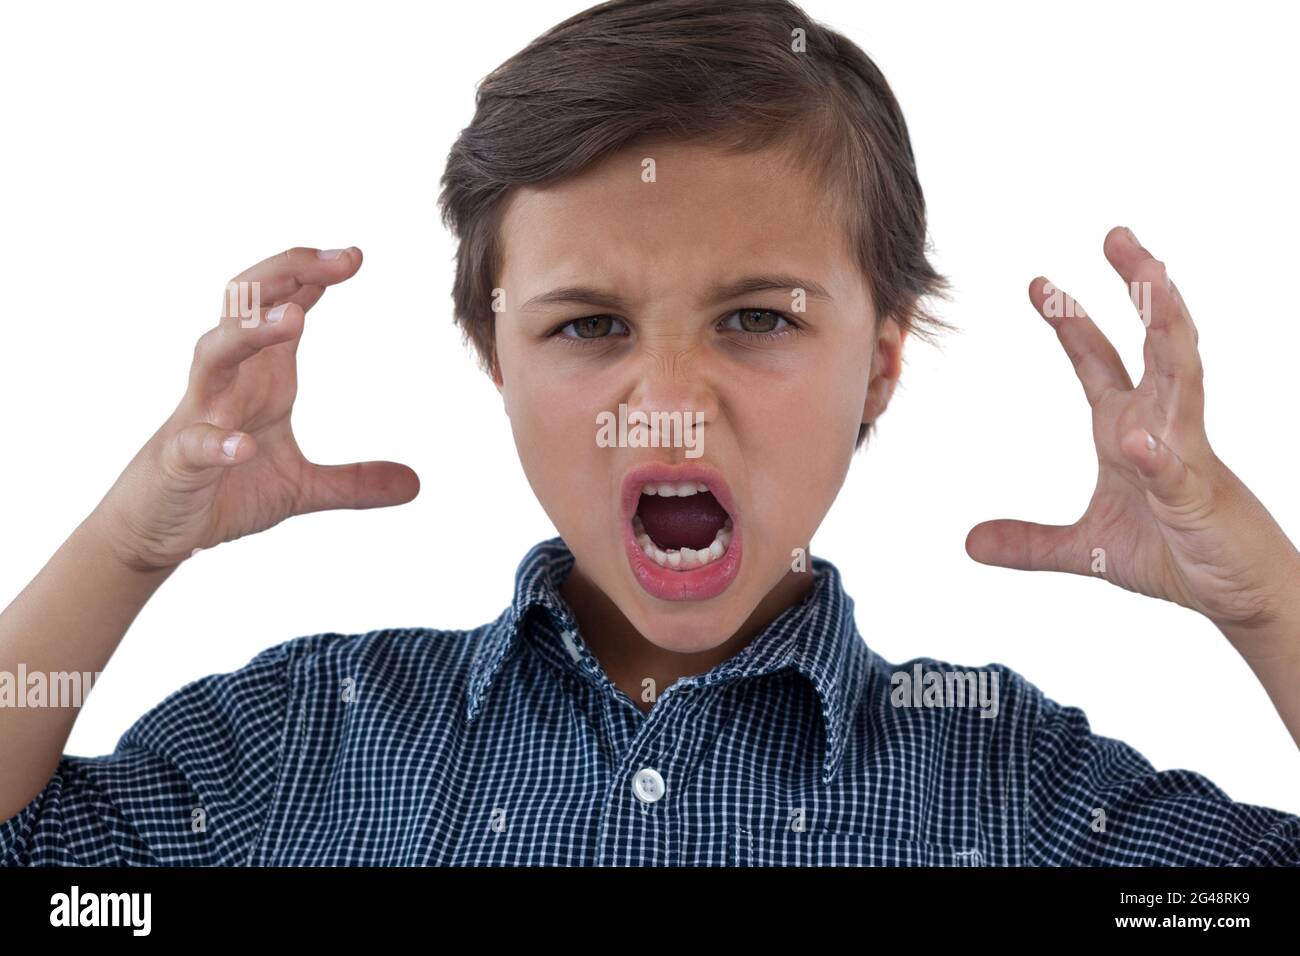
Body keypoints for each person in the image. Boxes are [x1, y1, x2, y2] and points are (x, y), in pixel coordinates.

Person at [3, 0, 1298, 866]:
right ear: (493, 362)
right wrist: (128, 543)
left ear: (881, 368)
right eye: (586, 328)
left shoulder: (1016, 794)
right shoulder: (311, 743)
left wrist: (1264, 600)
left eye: (753, 317)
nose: (670, 397)